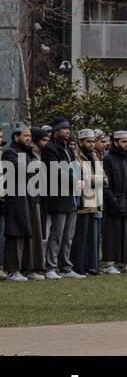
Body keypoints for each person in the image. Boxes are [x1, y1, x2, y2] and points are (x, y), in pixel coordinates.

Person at [3, 125, 44, 280]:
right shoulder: (10, 152)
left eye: (30, 136)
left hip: (31, 198)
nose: (29, 139)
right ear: (16, 136)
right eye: (25, 136)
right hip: (16, 200)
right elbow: (24, 169)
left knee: (31, 233)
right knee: (16, 233)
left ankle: (29, 268)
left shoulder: (29, 152)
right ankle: (13, 271)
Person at [42, 117, 81, 279]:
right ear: (56, 131)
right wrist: (74, 180)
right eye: (64, 128)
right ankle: (50, 266)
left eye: (68, 128)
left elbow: (74, 167)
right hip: (58, 196)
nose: (67, 131)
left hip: (72, 196)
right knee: (57, 234)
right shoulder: (50, 148)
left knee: (68, 235)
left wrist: (79, 179)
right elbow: (54, 171)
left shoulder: (68, 148)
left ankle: (65, 266)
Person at [101, 129, 127, 275]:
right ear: (115, 142)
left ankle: (123, 263)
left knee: (126, 235)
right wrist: (113, 200)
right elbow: (104, 184)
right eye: (123, 142)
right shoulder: (107, 160)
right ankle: (109, 264)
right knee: (112, 234)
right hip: (113, 204)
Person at [72, 128, 105, 277]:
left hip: (96, 201)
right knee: (81, 237)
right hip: (83, 203)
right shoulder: (76, 158)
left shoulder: (95, 157)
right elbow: (79, 179)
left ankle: (93, 266)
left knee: (94, 237)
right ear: (80, 142)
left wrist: (97, 179)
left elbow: (104, 178)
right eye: (88, 141)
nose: (92, 144)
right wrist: (95, 179)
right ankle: (79, 266)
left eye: (93, 141)